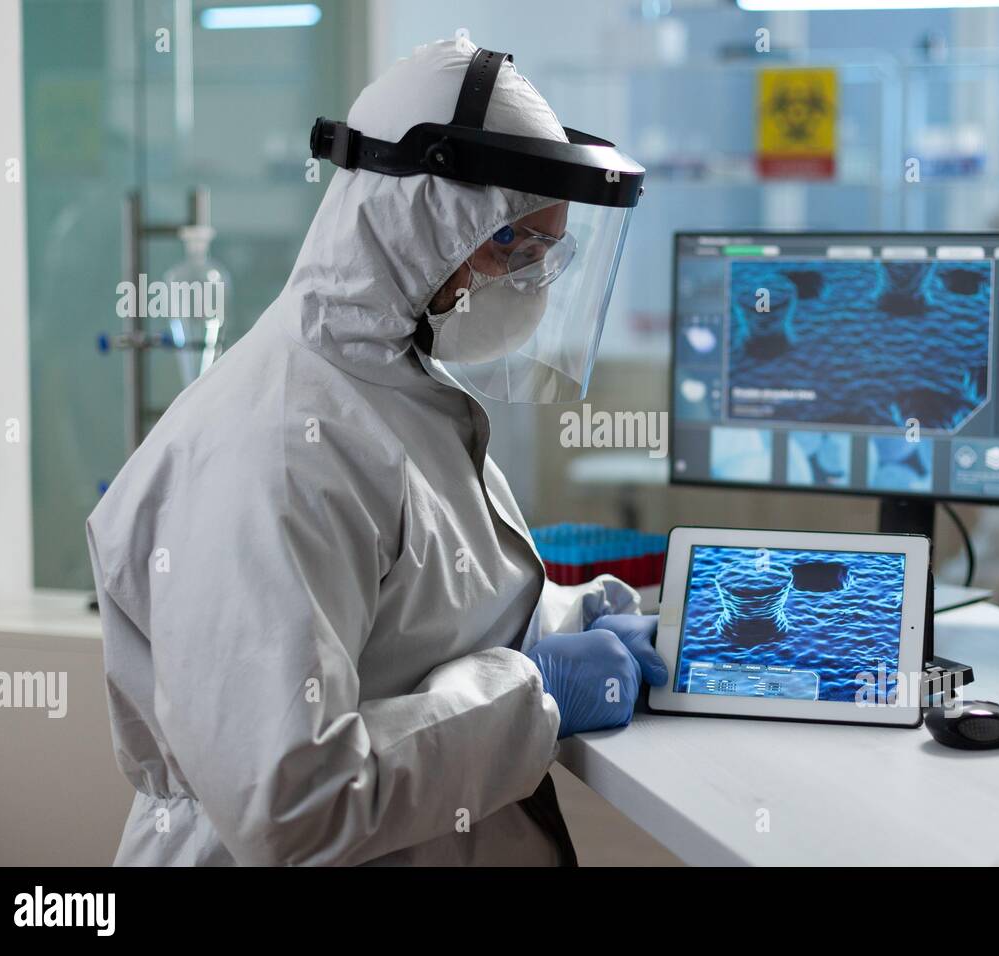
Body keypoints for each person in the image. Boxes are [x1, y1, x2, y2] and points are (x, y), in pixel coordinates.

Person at [86, 38, 663, 867]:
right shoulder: (276, 447)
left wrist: (575, 616)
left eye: (548, 255)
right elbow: (293, 802)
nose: (533, 282)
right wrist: (535, 698)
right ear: (418, 220)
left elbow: (428, 626)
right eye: (513, 245)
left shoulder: (396, 387)